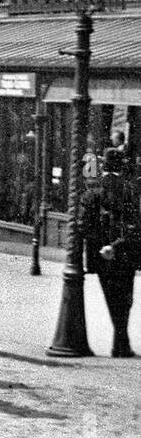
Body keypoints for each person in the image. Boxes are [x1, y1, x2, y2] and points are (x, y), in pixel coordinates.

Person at [84, 147, 141, 358]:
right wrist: (115, 246)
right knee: (125, 298)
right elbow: (134, 224)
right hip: (123, 251)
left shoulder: (93, 188)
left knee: (111, 296)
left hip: (99, 254)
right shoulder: (128, 188)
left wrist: (97, 249)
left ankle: (121, 342)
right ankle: (121, 343)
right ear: (121, 165)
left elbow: (85, 225)